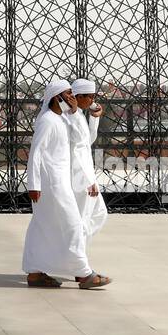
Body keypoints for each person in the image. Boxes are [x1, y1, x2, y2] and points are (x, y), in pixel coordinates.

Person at [22, 79, 111, 290]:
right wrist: (33, 184)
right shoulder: (48, 121)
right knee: (72, 225)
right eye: (69, 94)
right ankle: (83, 274)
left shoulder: (59, 119)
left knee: (42, 226)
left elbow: (81, 142)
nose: (72, 97)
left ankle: (35, 273)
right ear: (57, 97)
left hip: (58, 182)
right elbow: (36, 153)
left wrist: (82, 115)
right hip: (52, 184)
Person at [66, 78, 108, 239]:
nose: (92, 100)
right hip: (78, 176)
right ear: (79, 97)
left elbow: (87, 141)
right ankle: (77, 257)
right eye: (90, 96)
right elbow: (74, 153)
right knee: (82, 218)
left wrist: (95, 118)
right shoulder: (70, 117)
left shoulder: (78, 116)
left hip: (85, 175)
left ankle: (76, 252)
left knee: (98, 214)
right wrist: (88, 181)